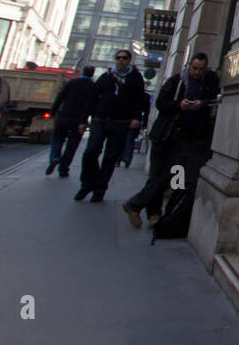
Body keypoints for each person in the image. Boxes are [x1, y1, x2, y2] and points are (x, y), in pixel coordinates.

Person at [122, 52, 219, 229]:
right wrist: (179, 105)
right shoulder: (176, 81)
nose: (197, 72)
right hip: (165, 134)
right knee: (158, 176)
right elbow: (161, 103)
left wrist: (201, 104)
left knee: (170, 176)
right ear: (189, 65)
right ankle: (153, 214)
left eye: (201, 69)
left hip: (186, 137)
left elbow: (213, 99)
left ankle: (135, 205)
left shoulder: (209, 81)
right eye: (194, 68)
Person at [75, 49, 146, 203]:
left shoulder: (135, 77)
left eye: (124, 58)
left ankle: (99, 189)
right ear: (115, 59)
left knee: (110, 157)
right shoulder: (106, 76)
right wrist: (83, 120)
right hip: (100, 119)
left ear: (129, 60)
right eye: (118, 58)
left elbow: (140, 99)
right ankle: (88, 183)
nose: (121, 60)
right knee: (90, 152)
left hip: (121, 122)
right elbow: (92, 98)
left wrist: (136, 117)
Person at [46, 66, 96, 178]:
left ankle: (54, 157)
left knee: (57, 139)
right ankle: (63, 169)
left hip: (64, 116)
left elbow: (60, 97)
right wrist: (92, 120)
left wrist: (53, 112)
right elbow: (93, 105)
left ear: (83, 72)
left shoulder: (71, 82)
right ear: (92, 74)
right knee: (72, 145)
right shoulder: (93, 86)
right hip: (80, 120)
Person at [121, 88, 151, 168]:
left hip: (125, 119)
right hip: (137, 121)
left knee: (122, 139)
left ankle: (119, 158)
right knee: (130, 140)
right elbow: (146, 112)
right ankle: (127, 158)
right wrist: (144, 123)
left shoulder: (129, 94)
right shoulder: (145, 96)